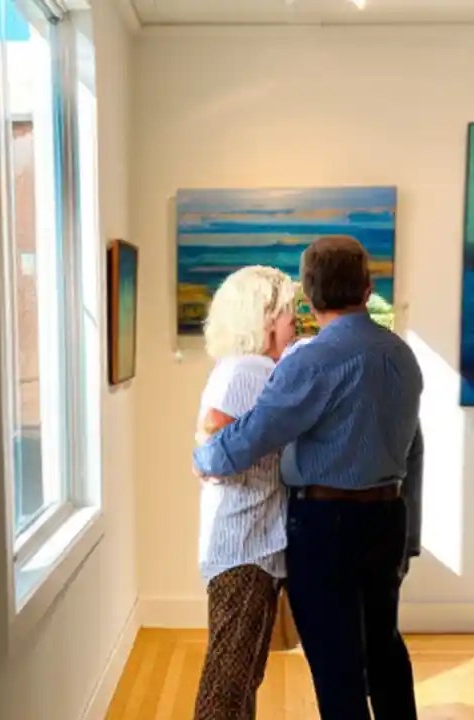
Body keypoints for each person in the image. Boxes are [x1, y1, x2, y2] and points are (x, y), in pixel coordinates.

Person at [194, 236, 423, 720]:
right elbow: (415, 450)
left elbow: (255, 434)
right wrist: (410, 534)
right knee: (383, 649)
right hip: (389, 519)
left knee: (337, 665)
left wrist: (206, 455)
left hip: (326, 526)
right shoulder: (403, 356)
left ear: (311, 298)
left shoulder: (310, 361)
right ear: (368, 289)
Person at [191, 265, 298, 720]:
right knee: (229, 683)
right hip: (246, 548)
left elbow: (209, 442)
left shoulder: (236, 368)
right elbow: (212, 438)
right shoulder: (252, 370)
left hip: (243, 543)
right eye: (289, 314)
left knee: (239, 676)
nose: (295, 324)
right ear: (265, 317)